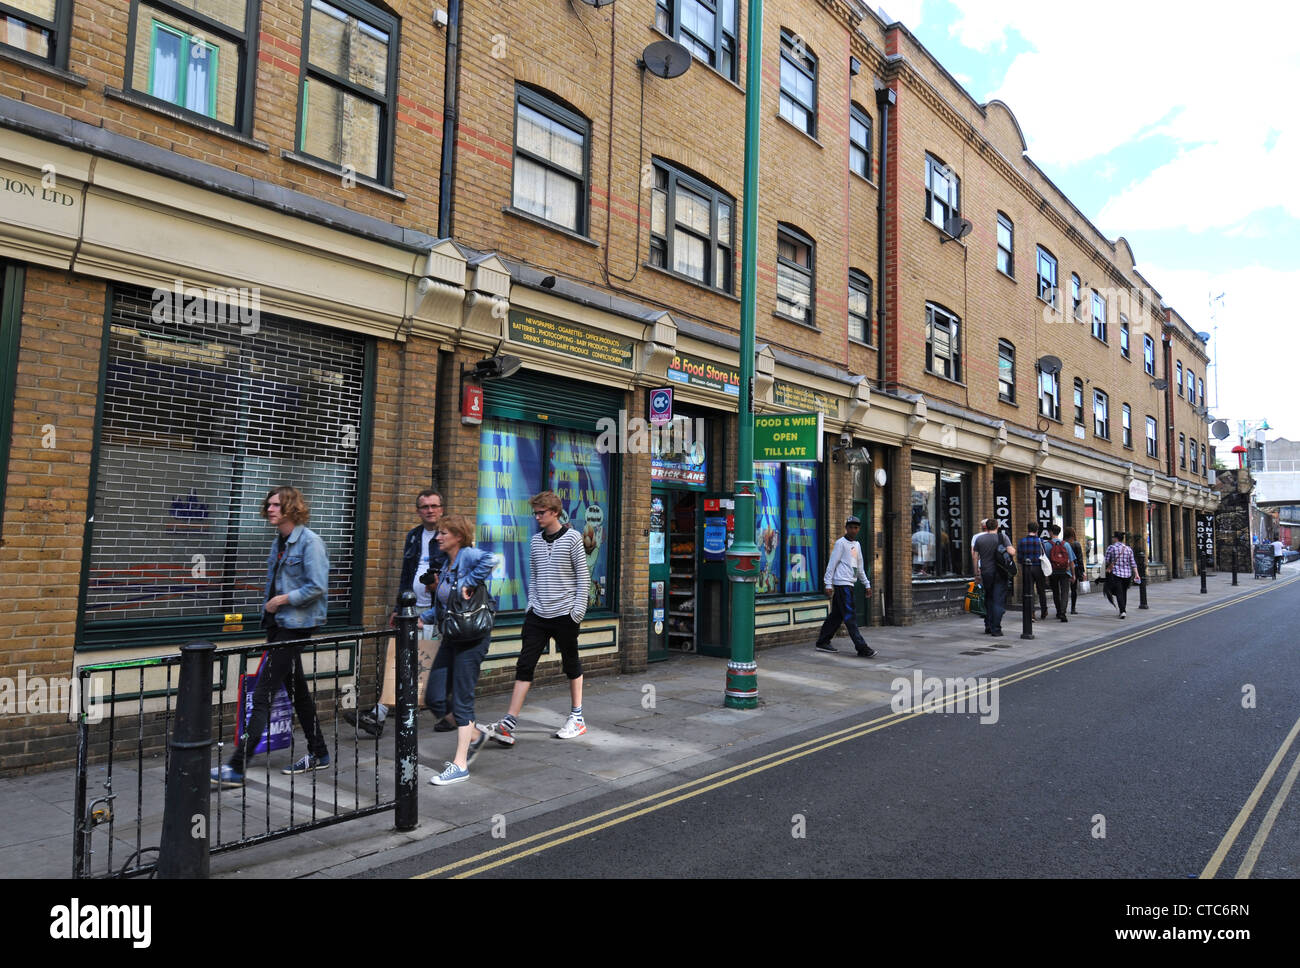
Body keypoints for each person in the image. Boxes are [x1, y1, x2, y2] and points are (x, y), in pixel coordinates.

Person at [212, 486, 330, 787]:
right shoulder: (280, 542)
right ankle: (319, 752)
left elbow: (317, 586)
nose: (270, 508)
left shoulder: (310, 542)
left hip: (296, 624)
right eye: (269, 504)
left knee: (263, 692)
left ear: (291, 508)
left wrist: (282, 600)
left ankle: (237, 766)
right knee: (296, 690)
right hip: (279, 625)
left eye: (276, 504)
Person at [479, 490, 591, 747]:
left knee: (570, 663)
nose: (537, 517)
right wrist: (531, 605)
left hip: (565, 613)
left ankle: (577, 718)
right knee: (525, 663)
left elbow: (583, 578)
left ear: (554, 512)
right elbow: (535, 575)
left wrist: (577, 614)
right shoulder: (536, 541)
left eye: (541, 513)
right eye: (536, 513)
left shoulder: (573, 538)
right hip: (538, 613)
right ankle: (508, 724)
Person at [346, 488, 449, 737]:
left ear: (441, 509)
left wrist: (439, 588)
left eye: (434, 506)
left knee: (430, 664)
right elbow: (405, 574)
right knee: (401, 660)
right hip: (412, 609)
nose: (430, 510)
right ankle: (379, 715)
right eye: (425, 507)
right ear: (418, 511)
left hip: (437, 611)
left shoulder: (449, 535)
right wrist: (398, 608)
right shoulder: (413, 536)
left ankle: (449, 715)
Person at [419, 515, 498, 785]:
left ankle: (460, 764)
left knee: (463, 700)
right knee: (434, 697)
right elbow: (444, 605)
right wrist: (423, 618)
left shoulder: (466, 556)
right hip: (452, 635)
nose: (438, 537)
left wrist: (470, 582)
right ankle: (475, 735)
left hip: (473, 638)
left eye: (443, 533)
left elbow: (491, 559)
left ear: (458, 537)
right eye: (438, 533)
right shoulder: (446, 563)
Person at [814, 516, 875, 657]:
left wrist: (867, 584)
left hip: (850, 583)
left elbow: (859, 567)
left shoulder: (857, 545)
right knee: (850, 616)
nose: (853, 530)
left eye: (856, 527)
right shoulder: (840, 543)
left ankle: (822, 642)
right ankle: (862, 647)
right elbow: (832, 563)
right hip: (842, 584)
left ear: (858, 529)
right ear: (846, 528)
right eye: (851, 527)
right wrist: (828, 583)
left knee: (836, 616)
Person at [972, 518, 1015, 636]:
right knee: (998, 601)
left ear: (986, 526)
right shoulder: (1002, 537)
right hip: (1000, 573)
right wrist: (1005, 548)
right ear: (997, 526)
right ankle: (996, 628)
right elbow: (1012, 552)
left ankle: (988, 625)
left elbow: (975, 557)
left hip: (986, 573)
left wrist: (976, 574)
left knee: (988, 599)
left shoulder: (979, 539)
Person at [1104, 530, 1140, 619]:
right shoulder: (1128, 549)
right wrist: (1137, 574)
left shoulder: (1111, 548)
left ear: (1116, 538)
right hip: (1127, 575)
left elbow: (1106, 561)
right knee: (1123, 592)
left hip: (1116, 574)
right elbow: (1133, 563)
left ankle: (1122, 611)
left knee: (1118, 592)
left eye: (1113, 538)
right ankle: (1123, 609)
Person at [1017, 524, 1049, 621]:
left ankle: (1031, 613)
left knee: (1029, 591)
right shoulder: (1040, 541)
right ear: (1037, 530)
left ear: (1028, 529)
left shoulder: (1022, 541)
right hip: (1039, 568)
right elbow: (1044, 554)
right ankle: (1044, 611)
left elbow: (1019, 558)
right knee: (1041, 590)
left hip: (1027, 568)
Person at [1044, 524, 1076, 622]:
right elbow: (1071, 562)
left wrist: (1046, 576)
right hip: (1064, 571)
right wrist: (1073, 574)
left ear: (1050, 532)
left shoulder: (1046, 544)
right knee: (1065, 592)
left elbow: (1045, 562)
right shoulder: (1065, 544)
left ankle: (1058, 612)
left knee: (1056, 592)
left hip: (1052, 572)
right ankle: (1063, 612)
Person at [1064, 526, 1085, 614]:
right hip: (1075, 568)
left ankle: (1063, 608)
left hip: (1064, 568)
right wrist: (1082, 571)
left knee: (1064, 589)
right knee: (1073, 589)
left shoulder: (1063, 543)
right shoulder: (1076, 544)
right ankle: (1073, 608)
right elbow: (1080, 559)